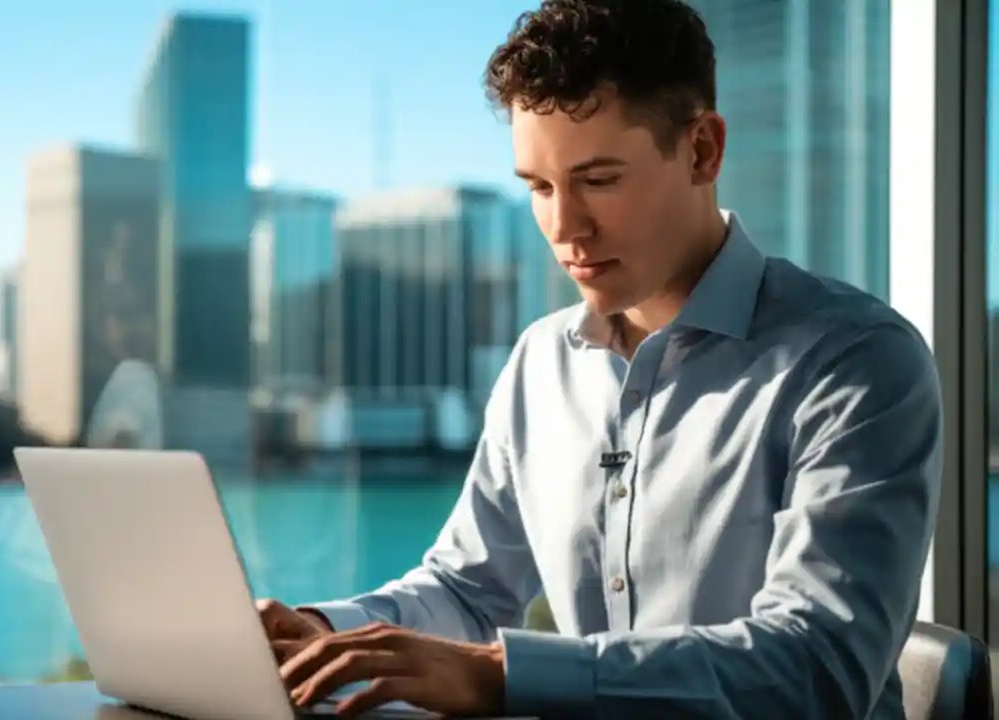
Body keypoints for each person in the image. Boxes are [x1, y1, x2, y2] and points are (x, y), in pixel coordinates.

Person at [259, 1, 942, 717]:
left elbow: (814, 669)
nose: (565, 228)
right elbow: (468, 588)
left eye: (599, 179)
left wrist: (501, 674)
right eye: (540, 187)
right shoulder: (539, 363)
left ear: (703, 151)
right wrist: (322, 636)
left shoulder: (855, 362)